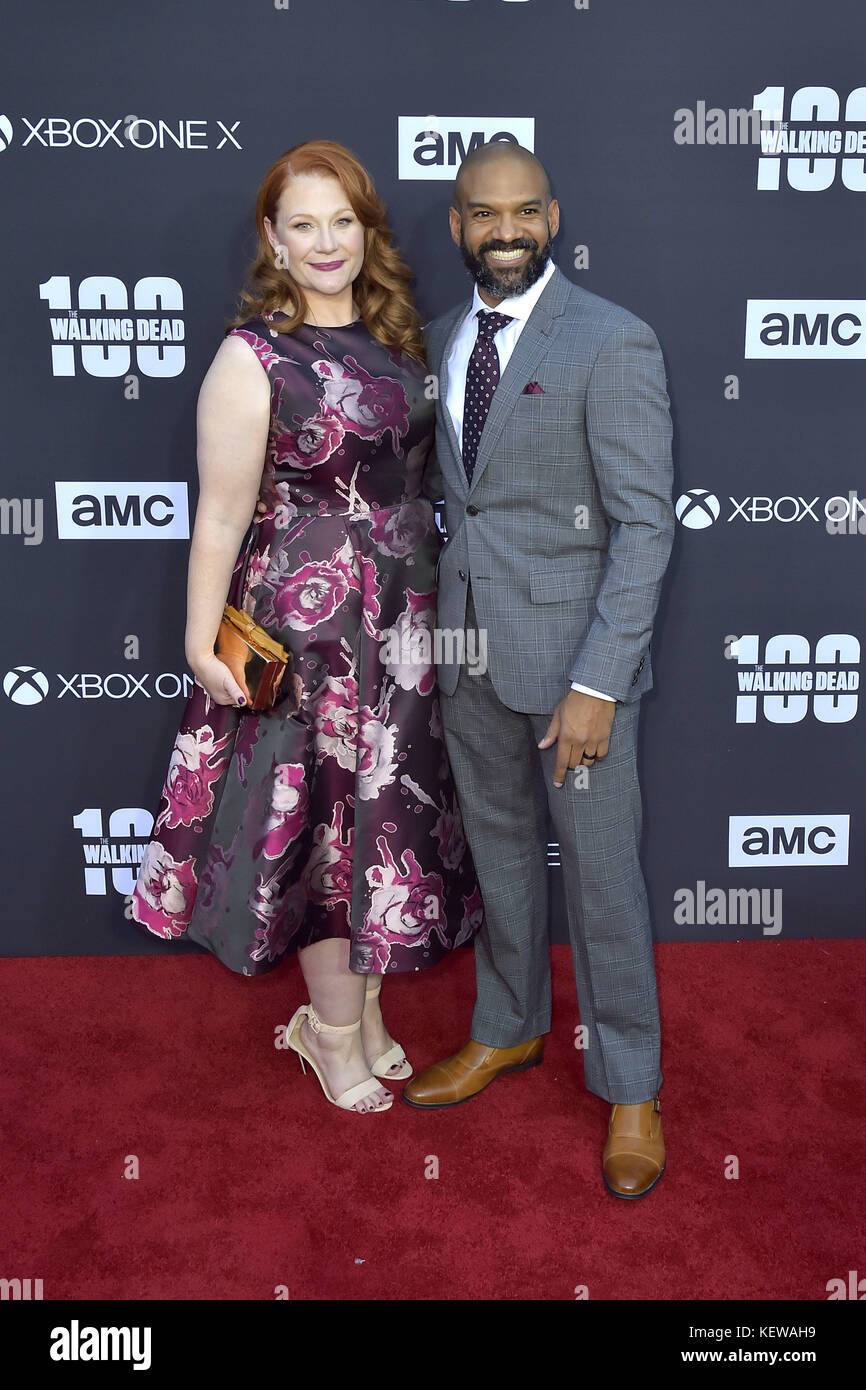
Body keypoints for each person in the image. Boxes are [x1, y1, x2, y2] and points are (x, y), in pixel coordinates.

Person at [130, 140, 483, 1115]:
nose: (326, 241)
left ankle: (359, 1014)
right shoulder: (252, 357)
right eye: (303, 225)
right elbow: (219, 514)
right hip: (311, 632)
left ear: (366, 232)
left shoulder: (400, 344)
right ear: (273, 243)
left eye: (343, 221)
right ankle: (327, 1034)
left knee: (385, 825)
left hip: (407, 627)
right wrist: (202, 640)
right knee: (329, 829)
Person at [406, 142, 675, 1199]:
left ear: (551, 217)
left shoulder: (612, 341)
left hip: (575, 672)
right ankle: (507, 1029)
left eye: (523, 212)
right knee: (501, 861)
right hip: (465, 653)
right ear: (456, 225)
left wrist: (598, 683)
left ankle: (632, 1087)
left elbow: (644, 528)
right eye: (483, 213)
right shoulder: (438, 340)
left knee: (602, 884)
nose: (504, 230)